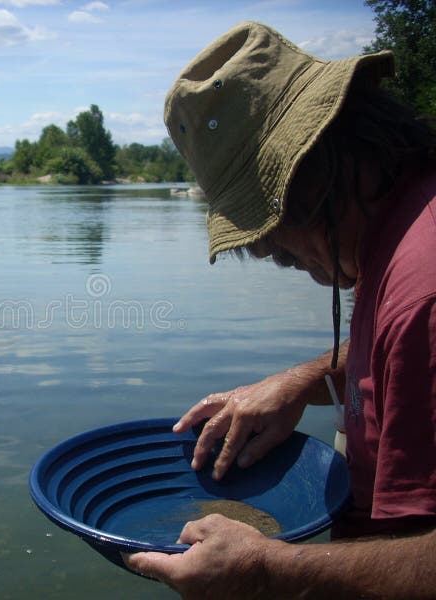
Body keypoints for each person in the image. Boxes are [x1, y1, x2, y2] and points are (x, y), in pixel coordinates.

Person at [122, 21, 436, 598]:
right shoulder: (403, 228)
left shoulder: (424, 291)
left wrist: (268, 570)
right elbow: (397, 361)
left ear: (312, 171)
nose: (265, 251)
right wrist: (302, 381)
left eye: (265, 226)